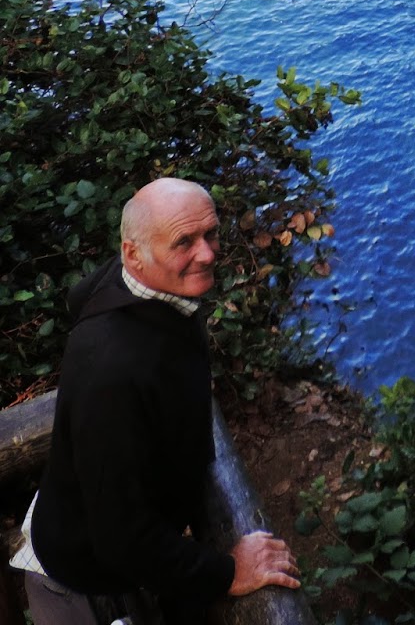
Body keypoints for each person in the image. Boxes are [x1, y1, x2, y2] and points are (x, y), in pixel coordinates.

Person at [13, 177, 300, 625]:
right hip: (79, 582)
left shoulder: (129, 286)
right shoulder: (113, 377)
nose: (207, 254)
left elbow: (78, 296)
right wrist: (226, 572)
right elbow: (121, 540)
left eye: (211, 233)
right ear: (133, 254)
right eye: (184, 242)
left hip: (90, 532)